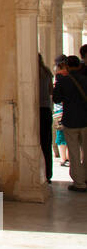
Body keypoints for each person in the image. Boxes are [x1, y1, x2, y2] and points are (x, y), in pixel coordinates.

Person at [52, 55, 87, 192]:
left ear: (66, 66)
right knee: (85, 151)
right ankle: (85, 177)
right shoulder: (85, 80)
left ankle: (79, 182)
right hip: (85, 120)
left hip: (71, 120)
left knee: (73, 152)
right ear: (79, 66)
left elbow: (56, 99)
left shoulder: (63, 81)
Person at [39, 53, 54, 183]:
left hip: (37, 110)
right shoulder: (47, 72)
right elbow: (51, 91)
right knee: (46, 143)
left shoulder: (35, 72)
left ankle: (40, 174)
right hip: (46, 110)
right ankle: (48, 174)